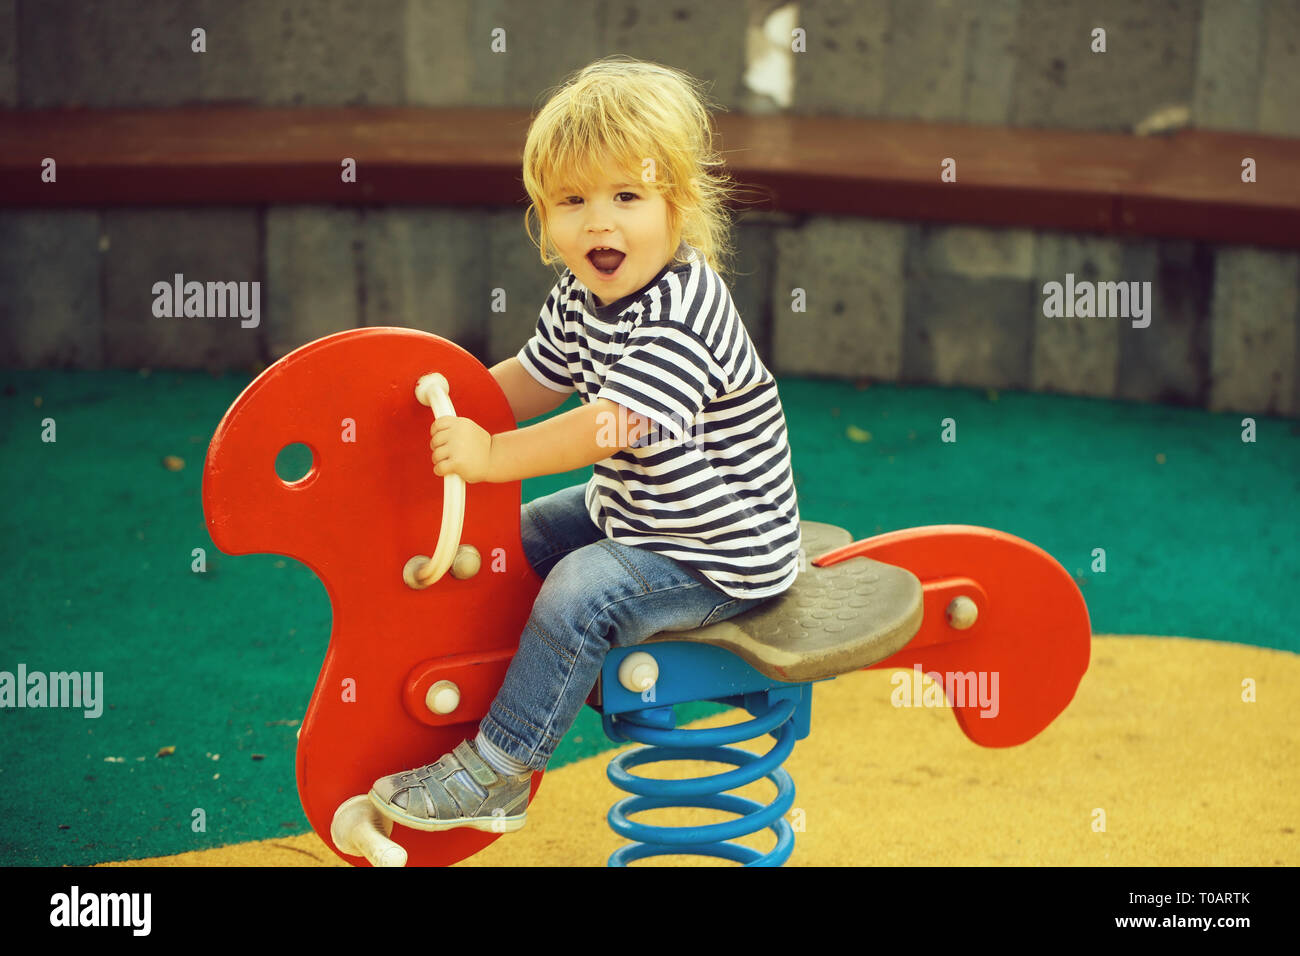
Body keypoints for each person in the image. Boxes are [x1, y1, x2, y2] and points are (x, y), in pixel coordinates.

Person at [369, 55, 802, 834]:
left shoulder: (683, 310)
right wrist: (445, 411)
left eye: (627, 196)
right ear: (544, 217)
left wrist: (492, 456)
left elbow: (611, 424)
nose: (599, 222)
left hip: (720, 550)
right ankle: (483, 678)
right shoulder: (586, 291)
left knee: (579, 589)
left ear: (678, 205)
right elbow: (534, 379)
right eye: (573, 200)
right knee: (518, 534)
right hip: (636, 509)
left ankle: (500, 766)